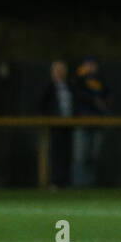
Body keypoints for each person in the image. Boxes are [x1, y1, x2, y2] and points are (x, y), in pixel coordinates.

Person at [71, 57, 110, 187]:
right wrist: (94, 100)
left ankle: (90, 184)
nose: (90, 67)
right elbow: (76, 92)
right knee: (81, 155)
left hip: (98, 122)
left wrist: (102, 104)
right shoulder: (79, 79)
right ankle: (78, 184)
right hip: (82, 121)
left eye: (92, 65)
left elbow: (108, 96)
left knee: (94, 155)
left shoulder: (100, 80)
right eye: (87, 65)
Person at [38, 59, 74, 189]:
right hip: (54, 124)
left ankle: (65, 181)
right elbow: (41, 104)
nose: (59, 72)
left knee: (67, 153)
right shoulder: (48, 86)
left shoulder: (69, 85)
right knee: (55, 154)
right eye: (57, 70)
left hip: (69, 124)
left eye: (62, 70)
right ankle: (55, 181)